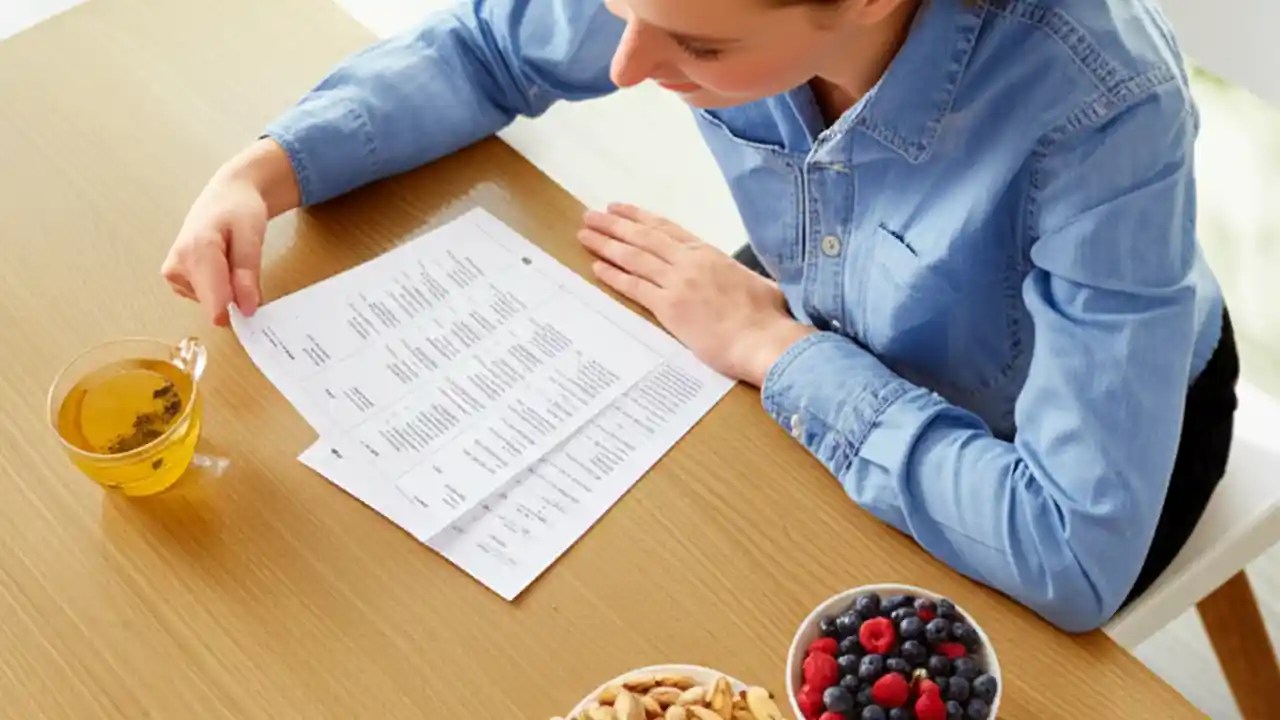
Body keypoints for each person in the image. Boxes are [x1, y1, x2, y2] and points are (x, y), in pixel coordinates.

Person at [161, 0, 1238, 632]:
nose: (624, 64)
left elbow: (1070, 551)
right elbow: (493, 50)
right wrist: (265, 173)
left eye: (694, 45)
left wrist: (776, 350)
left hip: (1046, 441)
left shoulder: (1107, 111)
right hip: (807, 309)